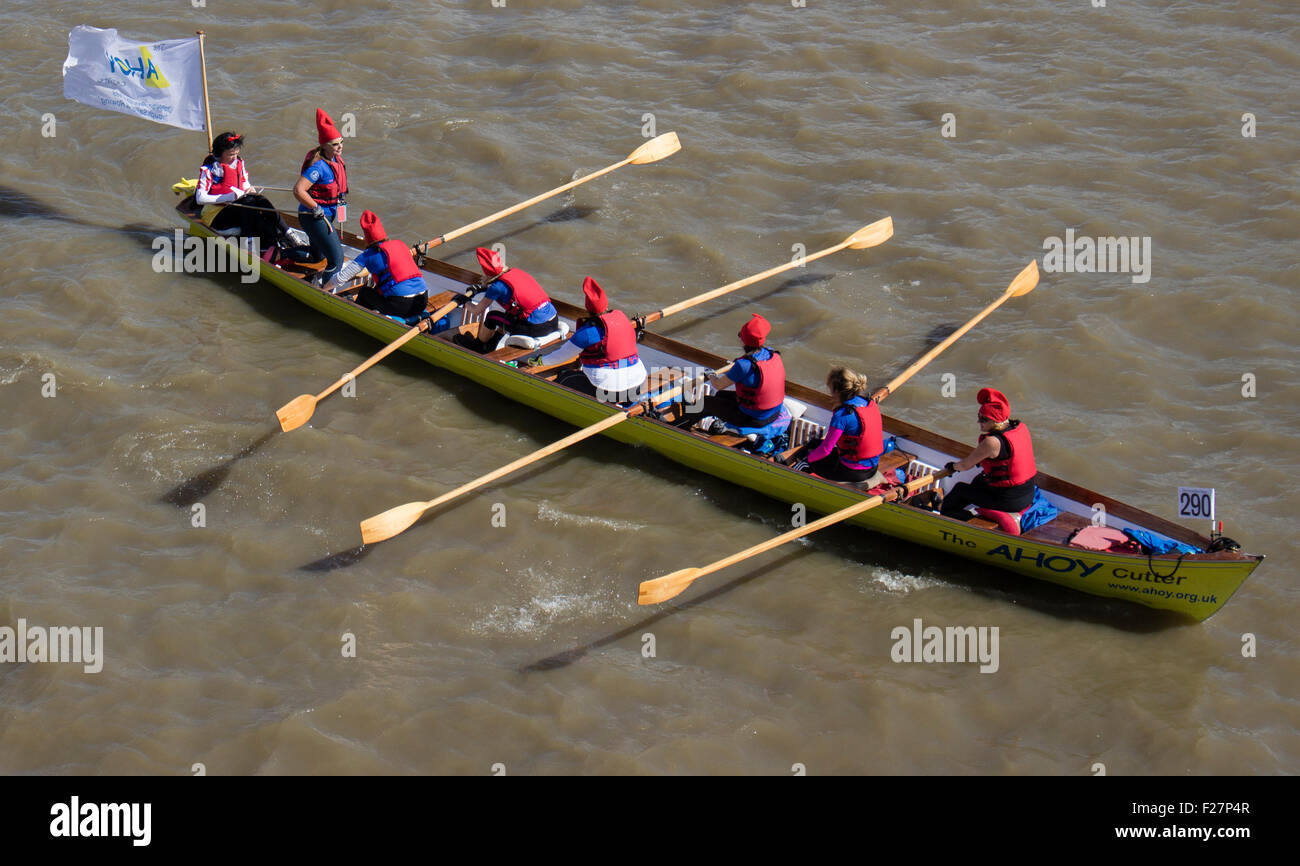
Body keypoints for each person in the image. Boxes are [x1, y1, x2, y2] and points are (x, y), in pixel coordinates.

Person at [939, 387, 1038, 519]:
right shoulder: (1019, 428)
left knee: (959, 489)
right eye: (979, 417)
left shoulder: (992, 442)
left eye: (984, 419)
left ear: (996, 421)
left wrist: (952, 466)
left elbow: (964, 466)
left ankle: (967, 519)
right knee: (978, 481)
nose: (979, 422)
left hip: (1010, 500)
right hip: (1027, 492)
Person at [323, 211, 437, 325]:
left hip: (403, 306)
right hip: (422, 300)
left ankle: (355, 319)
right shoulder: (400, 244)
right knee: (379, 289)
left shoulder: (368, 255)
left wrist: (323, 289)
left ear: (367, 239)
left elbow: (340, 278)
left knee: (365, 292)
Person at [694, 314, 791, 438]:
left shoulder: (743, 365)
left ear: (743, 340)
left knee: (703, 402)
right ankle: (722, 427)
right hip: (773, 413)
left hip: (753, 419)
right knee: (721, 396)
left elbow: (718, 385)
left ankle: (681, 425)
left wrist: (711, 375)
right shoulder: (772, 354)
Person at [556, 277, 647, 402]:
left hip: (609, 393)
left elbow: (559, 356)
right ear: (607, 305)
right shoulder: (623, 320)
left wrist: (539, 361)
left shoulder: (587, 332)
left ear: (587, 308)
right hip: (638, 384)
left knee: (563, 378)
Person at [455, 247, 561, 351]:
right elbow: (508, 290)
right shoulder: (517, 272)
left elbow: (476, 311)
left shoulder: (496, 287)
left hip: (537, 328)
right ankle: (491, 345)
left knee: (492, 316)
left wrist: (465, 300)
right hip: (553, 320)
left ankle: (478, 346)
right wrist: (482, 288)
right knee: (507, 316)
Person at [195, 131, 286, 251]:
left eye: (236, 154)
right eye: (231, 154)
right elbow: (199, 198)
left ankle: (284, 234)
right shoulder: (208, 170)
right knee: (248, 201)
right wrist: (230, 196)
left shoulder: (238, 162)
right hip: (215, 216)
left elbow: (244, 182)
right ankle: (247, 240)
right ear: (219, 153)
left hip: (238, 209)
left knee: (259, 203)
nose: (234, 158)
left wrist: (249, 188)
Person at [795, 367, 887, 485]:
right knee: (814, 444)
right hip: (872, 467)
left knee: (805, 460)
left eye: (830, 388)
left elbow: (825, 450)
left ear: (836, 391)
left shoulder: (842, 415)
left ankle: (788, 481)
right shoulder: (867, 403)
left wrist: (808, 458)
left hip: (853, 472)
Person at [293, 108, 348, 286]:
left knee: (318, 255)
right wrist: (315, 208)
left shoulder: (337, 160)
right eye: (335, 144)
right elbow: (298, 190)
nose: (340, 147)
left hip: (331, 212)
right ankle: (325, 291)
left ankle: (278, 254)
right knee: (336, 260)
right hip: (315, 217)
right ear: (324, 145)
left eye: (341, 142)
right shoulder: (318, 168)